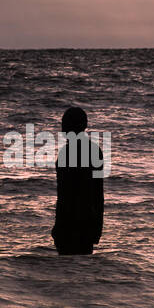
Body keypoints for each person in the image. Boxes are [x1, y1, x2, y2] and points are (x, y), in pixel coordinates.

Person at [52, 106, 104, 255]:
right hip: (88, 224)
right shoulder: (95, 151)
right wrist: (98, 228)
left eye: (64, 125)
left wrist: (58, 228)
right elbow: (98, 194)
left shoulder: (66, 153)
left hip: (69, 226)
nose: (62, 130)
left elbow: (64, 196)